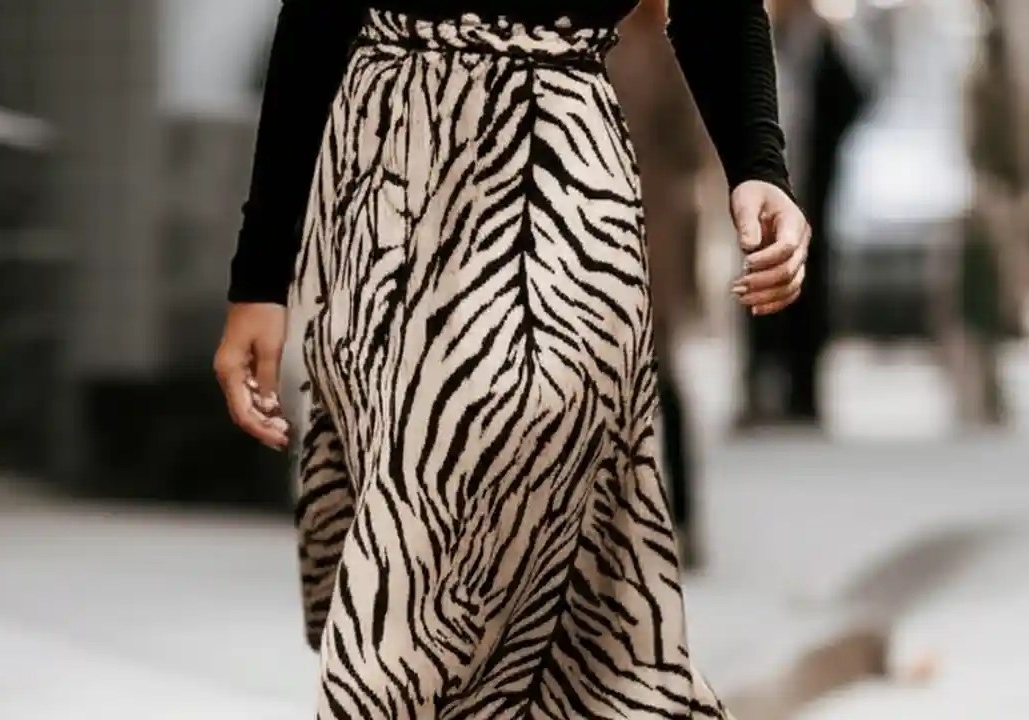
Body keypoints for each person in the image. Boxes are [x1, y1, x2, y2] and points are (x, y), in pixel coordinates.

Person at [213, 1, 809, 716]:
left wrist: (758, 166)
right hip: (397, 164)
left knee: (549, 448)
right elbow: (318, 13)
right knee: (421, 486)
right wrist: (260, 278)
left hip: (568, 161)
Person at [609, 0, 713, 568]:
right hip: (609, 233)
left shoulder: (662, 50)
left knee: (662, 385)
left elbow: (688, 154)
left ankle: (683, 519)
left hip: (653, 240)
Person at [735, 0, 867, 429]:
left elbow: (855, 96)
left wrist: (826, 143)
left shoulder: (825, 39)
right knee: (758, 285)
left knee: (806, 294)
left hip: (809, 187)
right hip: (768, 182)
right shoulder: (763, 36)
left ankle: (804, 396)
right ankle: (760, 390)